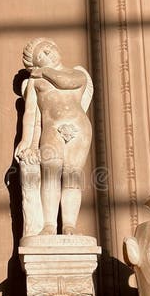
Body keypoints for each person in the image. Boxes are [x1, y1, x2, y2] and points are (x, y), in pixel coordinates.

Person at [15, 38, 93, 236]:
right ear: (35, 63)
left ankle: (69, 225)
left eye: (49, 49)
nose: (47, 53)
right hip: (51, 129)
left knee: (72, 175)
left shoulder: (77, 73)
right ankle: (49, 224)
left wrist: (45, 71)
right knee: (50, 174)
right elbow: (32, 114)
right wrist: (28, 143)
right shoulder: (35, 82)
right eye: (41, 54)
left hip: (79, 128)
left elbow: (67, 82)